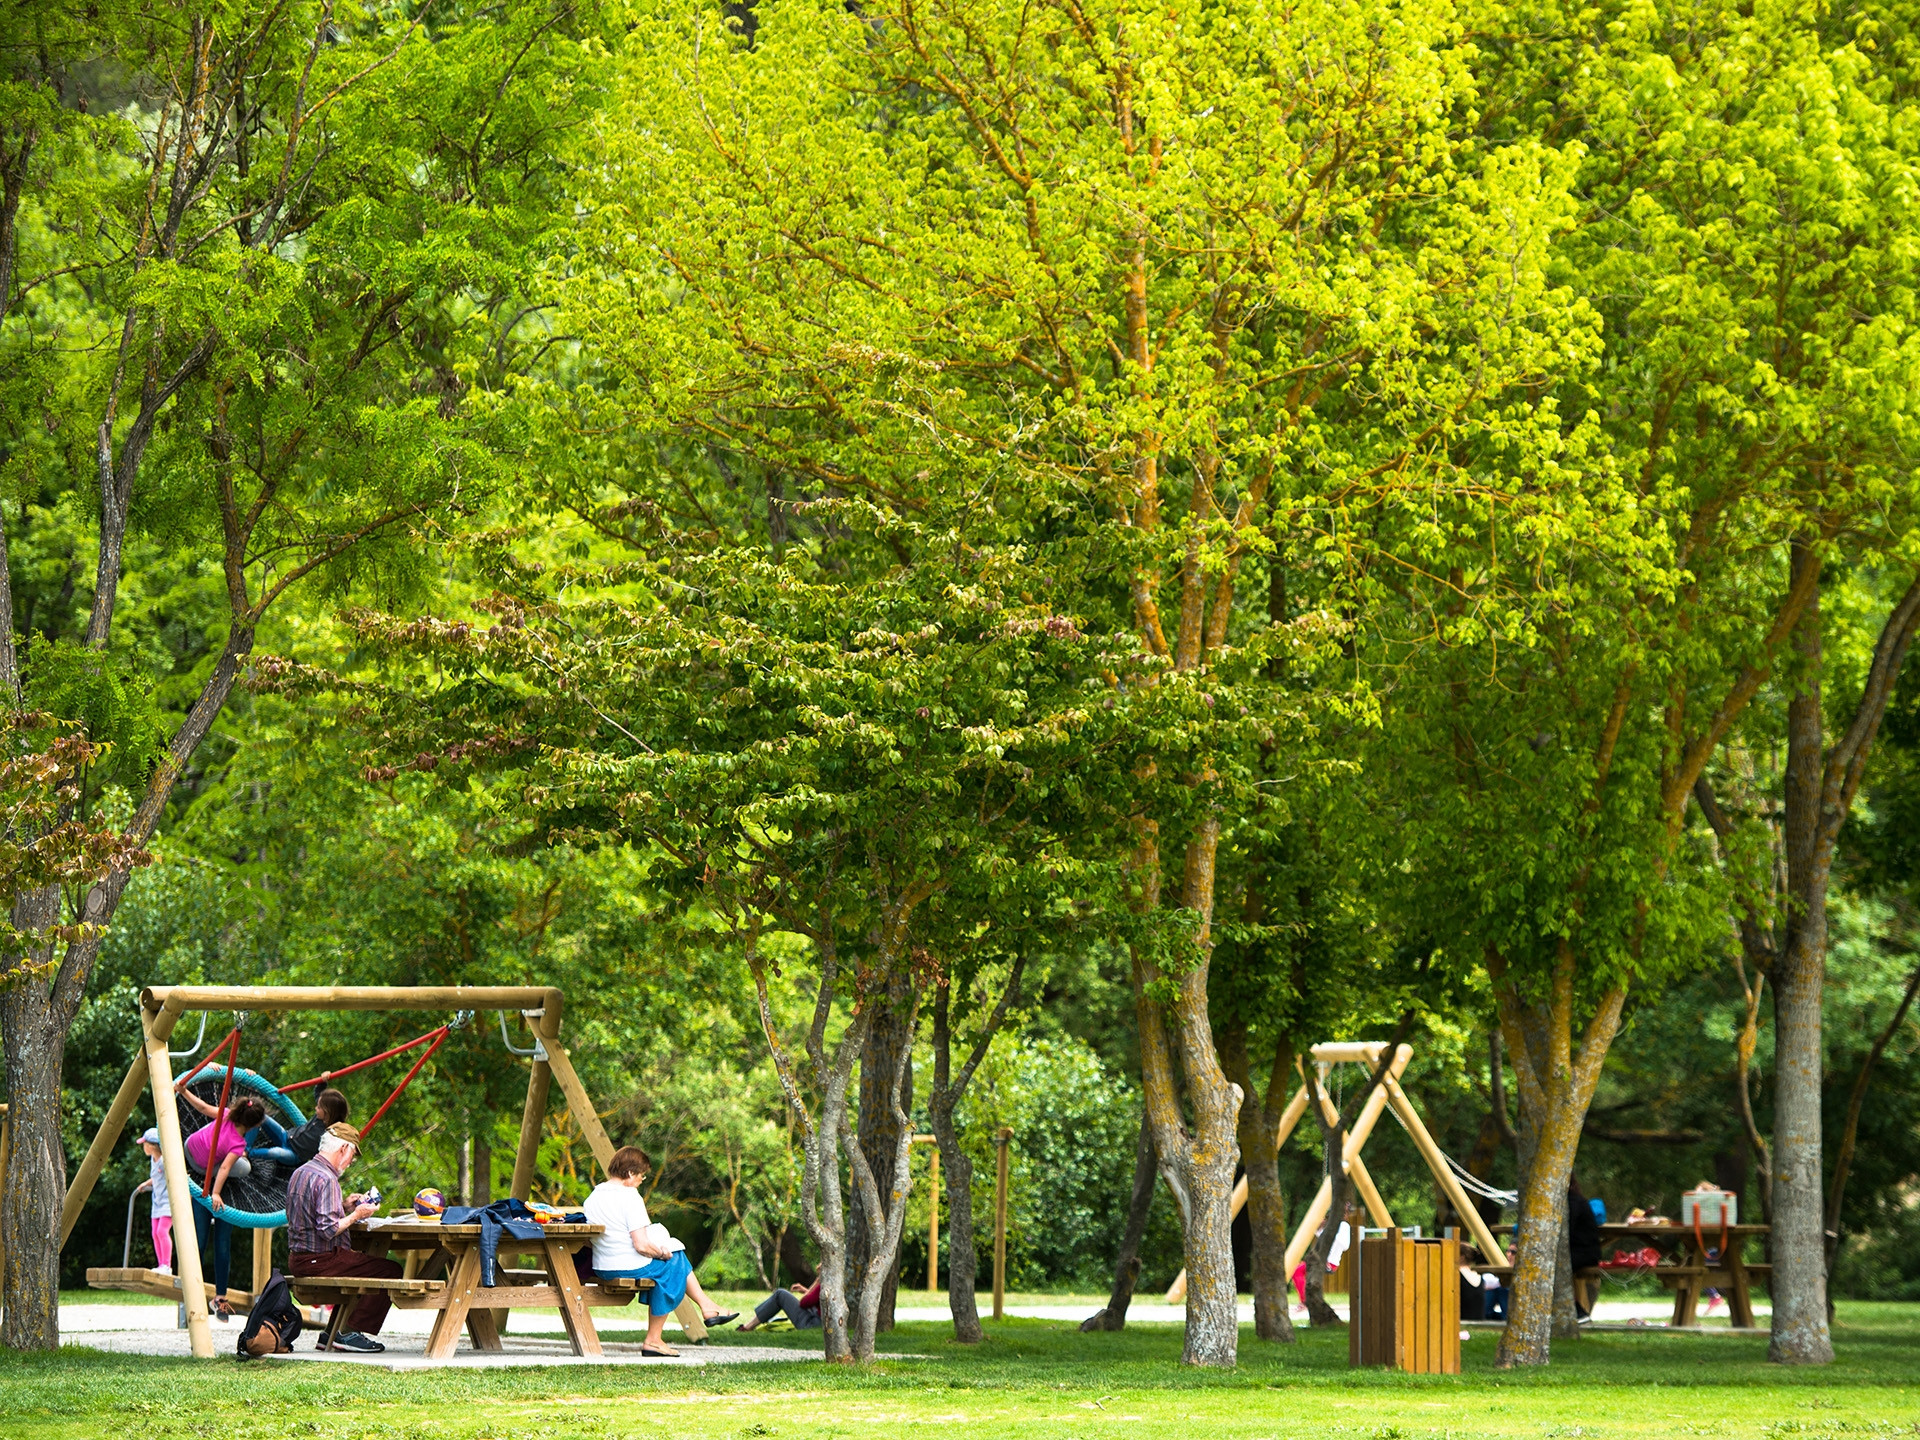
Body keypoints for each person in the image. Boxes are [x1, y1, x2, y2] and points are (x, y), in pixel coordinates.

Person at [582, 1146, 737, 1357]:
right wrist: (662, 1253)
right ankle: (655, 1339)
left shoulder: (593, 1197)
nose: (641, 1180)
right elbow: (642, 1245)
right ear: (629, 1174)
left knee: (673, 1259)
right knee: (675, 1261)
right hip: (628, 1268)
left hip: (602, 1267)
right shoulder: (630, 1197)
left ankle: (707, 1307)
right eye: (641, 1175)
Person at [286, 1122, 400, 1353]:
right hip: (320, 1260)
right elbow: (327, 1230)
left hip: (299, 1258)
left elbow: (313, 1216)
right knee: (390, 1271)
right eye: (352, 1156)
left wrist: (344, 1206)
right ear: (343, 1149)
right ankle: (349, 1333)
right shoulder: (327, 1179)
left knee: (359, 1265)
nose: (350, 1162)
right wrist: (358, 1214)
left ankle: (330, 1333)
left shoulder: (301, 1172)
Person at [184, 1095, 267, 1320]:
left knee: (203, 1242)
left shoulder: (226, 1114)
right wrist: (216, 1193)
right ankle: (211, 1296)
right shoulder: (238, 1143)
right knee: (216, 1244)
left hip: (190, 1149)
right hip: (203, 1172)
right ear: (255, 1125)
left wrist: (182, 1091)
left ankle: (214, 1297)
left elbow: (201, 1107)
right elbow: (223, 1170)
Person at [282, 1088, 350, 1169]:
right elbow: (319, 1094)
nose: (316, 1108)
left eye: (319, 1107)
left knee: (274, 1152)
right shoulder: (320, 1117)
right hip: (288, 1137)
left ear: (327, 1113)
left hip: (295, 1155)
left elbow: (327, 1155)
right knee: (268, 1122)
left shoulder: (328, 1135)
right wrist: (323, 1081)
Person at [137, 1127, 173, 1275]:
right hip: (157, 1201)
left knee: (162, 1231)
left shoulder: (166, 1161)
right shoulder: (154, 1159)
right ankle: (160, 1265)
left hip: (168, 1202)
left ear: (151, 1146)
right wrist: (146, 1183)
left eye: (144, 1144)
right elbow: (157, 1177)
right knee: (154, 1233)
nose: (143, 1147)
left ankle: (167, 1265)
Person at [738, 1278, 821, 1332]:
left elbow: (804, 1303)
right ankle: (748, 1326)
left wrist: (817, 1282)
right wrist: (806, 1291)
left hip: (812, 1325)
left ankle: (748, 1327)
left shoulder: (825, 1284)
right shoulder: (833, 1283)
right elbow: (817, 1299)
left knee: (780, 1295)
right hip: (824, 1322)